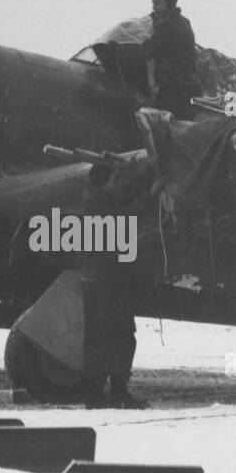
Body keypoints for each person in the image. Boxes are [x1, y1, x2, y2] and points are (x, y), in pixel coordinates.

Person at [80, 156, 156, 409]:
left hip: (99, 280)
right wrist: (153, 193)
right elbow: (127, 216)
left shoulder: (96, 201)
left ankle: (98, 393)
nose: (117, 183)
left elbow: (122, 200)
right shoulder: (100, 207)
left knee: (100, 337)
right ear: (104, 183)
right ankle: (115, 393)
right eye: (114, 179)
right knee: (120, 336)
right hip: (108, 282)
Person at [141, 0, 198, 121]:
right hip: (179, 86)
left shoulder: (173, 27)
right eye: (153, 3)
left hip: (177, 89)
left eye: (157, 3)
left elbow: (149, 50)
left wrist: (120, 50)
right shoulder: (177, 21)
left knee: (168, 126)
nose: (154, 7)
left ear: (169, 3)